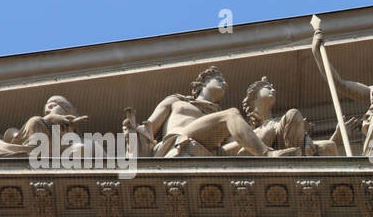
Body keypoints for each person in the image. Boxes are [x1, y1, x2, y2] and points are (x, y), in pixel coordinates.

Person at [125, 67, 292, 157]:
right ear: (202, 83)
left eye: (224, 83)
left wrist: (262, 128)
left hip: (211, 150)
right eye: (219, 80)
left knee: (264, 130)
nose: (224, 84)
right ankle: (266, 154)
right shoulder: (176, 101)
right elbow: (149, 127)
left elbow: (232, 143)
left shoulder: (217, 120)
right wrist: (132, 130)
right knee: (231, 114)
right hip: (180, 139)